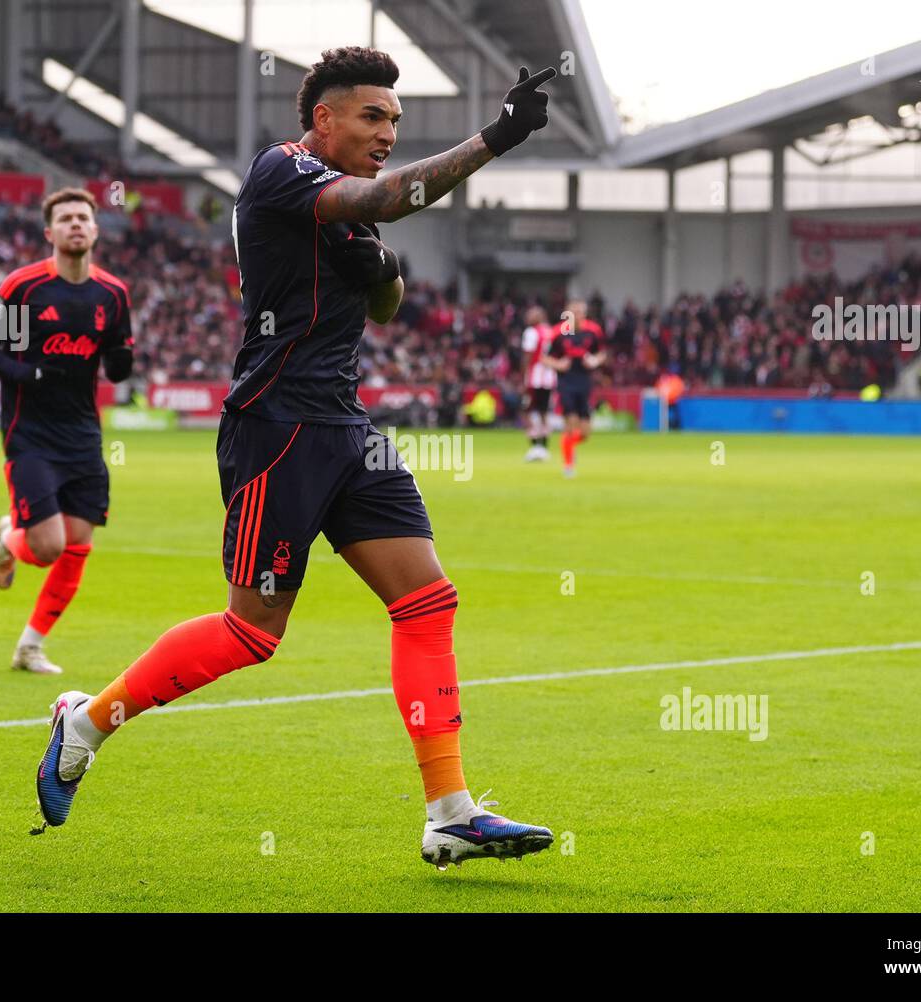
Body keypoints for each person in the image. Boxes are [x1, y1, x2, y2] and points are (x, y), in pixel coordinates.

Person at [34, 47, 557, 870]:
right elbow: (388, 194)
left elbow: (384, 303)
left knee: (427, 602)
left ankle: (449, 812)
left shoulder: (352, 202)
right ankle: (88, 722)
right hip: (276, 426)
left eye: (395, 120)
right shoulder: (283, 169)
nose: (387, 132)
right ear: (324, 119)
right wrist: (496, 135)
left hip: (348, 428)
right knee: (253, 631)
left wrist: (381, 267)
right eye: (373, 116)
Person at [0, 188, 134, 673]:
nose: (76, 225)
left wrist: (122, 363)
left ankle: (30, 646)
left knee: (78, 543)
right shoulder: (23, 287)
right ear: (50, 233)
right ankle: (8, 536)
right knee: (46, 547)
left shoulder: (113, 293)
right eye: (66, 219)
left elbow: (119, 363)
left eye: (84, 218)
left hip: (83, 434)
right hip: (30, 435)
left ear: (96, 230)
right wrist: (28, 374)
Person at [545, 299, 605, 477]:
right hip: (566, 383)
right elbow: (544, 357)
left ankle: (568, 446)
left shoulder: (593, 331)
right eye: (574, 313)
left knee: (585, 433)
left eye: (581, 313)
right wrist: (558, 364)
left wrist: (595, 360)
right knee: (570, 425)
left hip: (584, 382)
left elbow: (602, 352)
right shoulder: (558, 333)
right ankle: (568, 465)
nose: (578, 316)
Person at [520, 305, 555, 461]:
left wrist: (523, 377)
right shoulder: (551, 331)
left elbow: (528, 355)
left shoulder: (531, 332)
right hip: (549, 378)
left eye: (531, 314)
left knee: (526, 411)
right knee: (543, 412)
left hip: (535, 378)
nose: (528, 317)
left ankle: (535, 446)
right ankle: (544, 447)